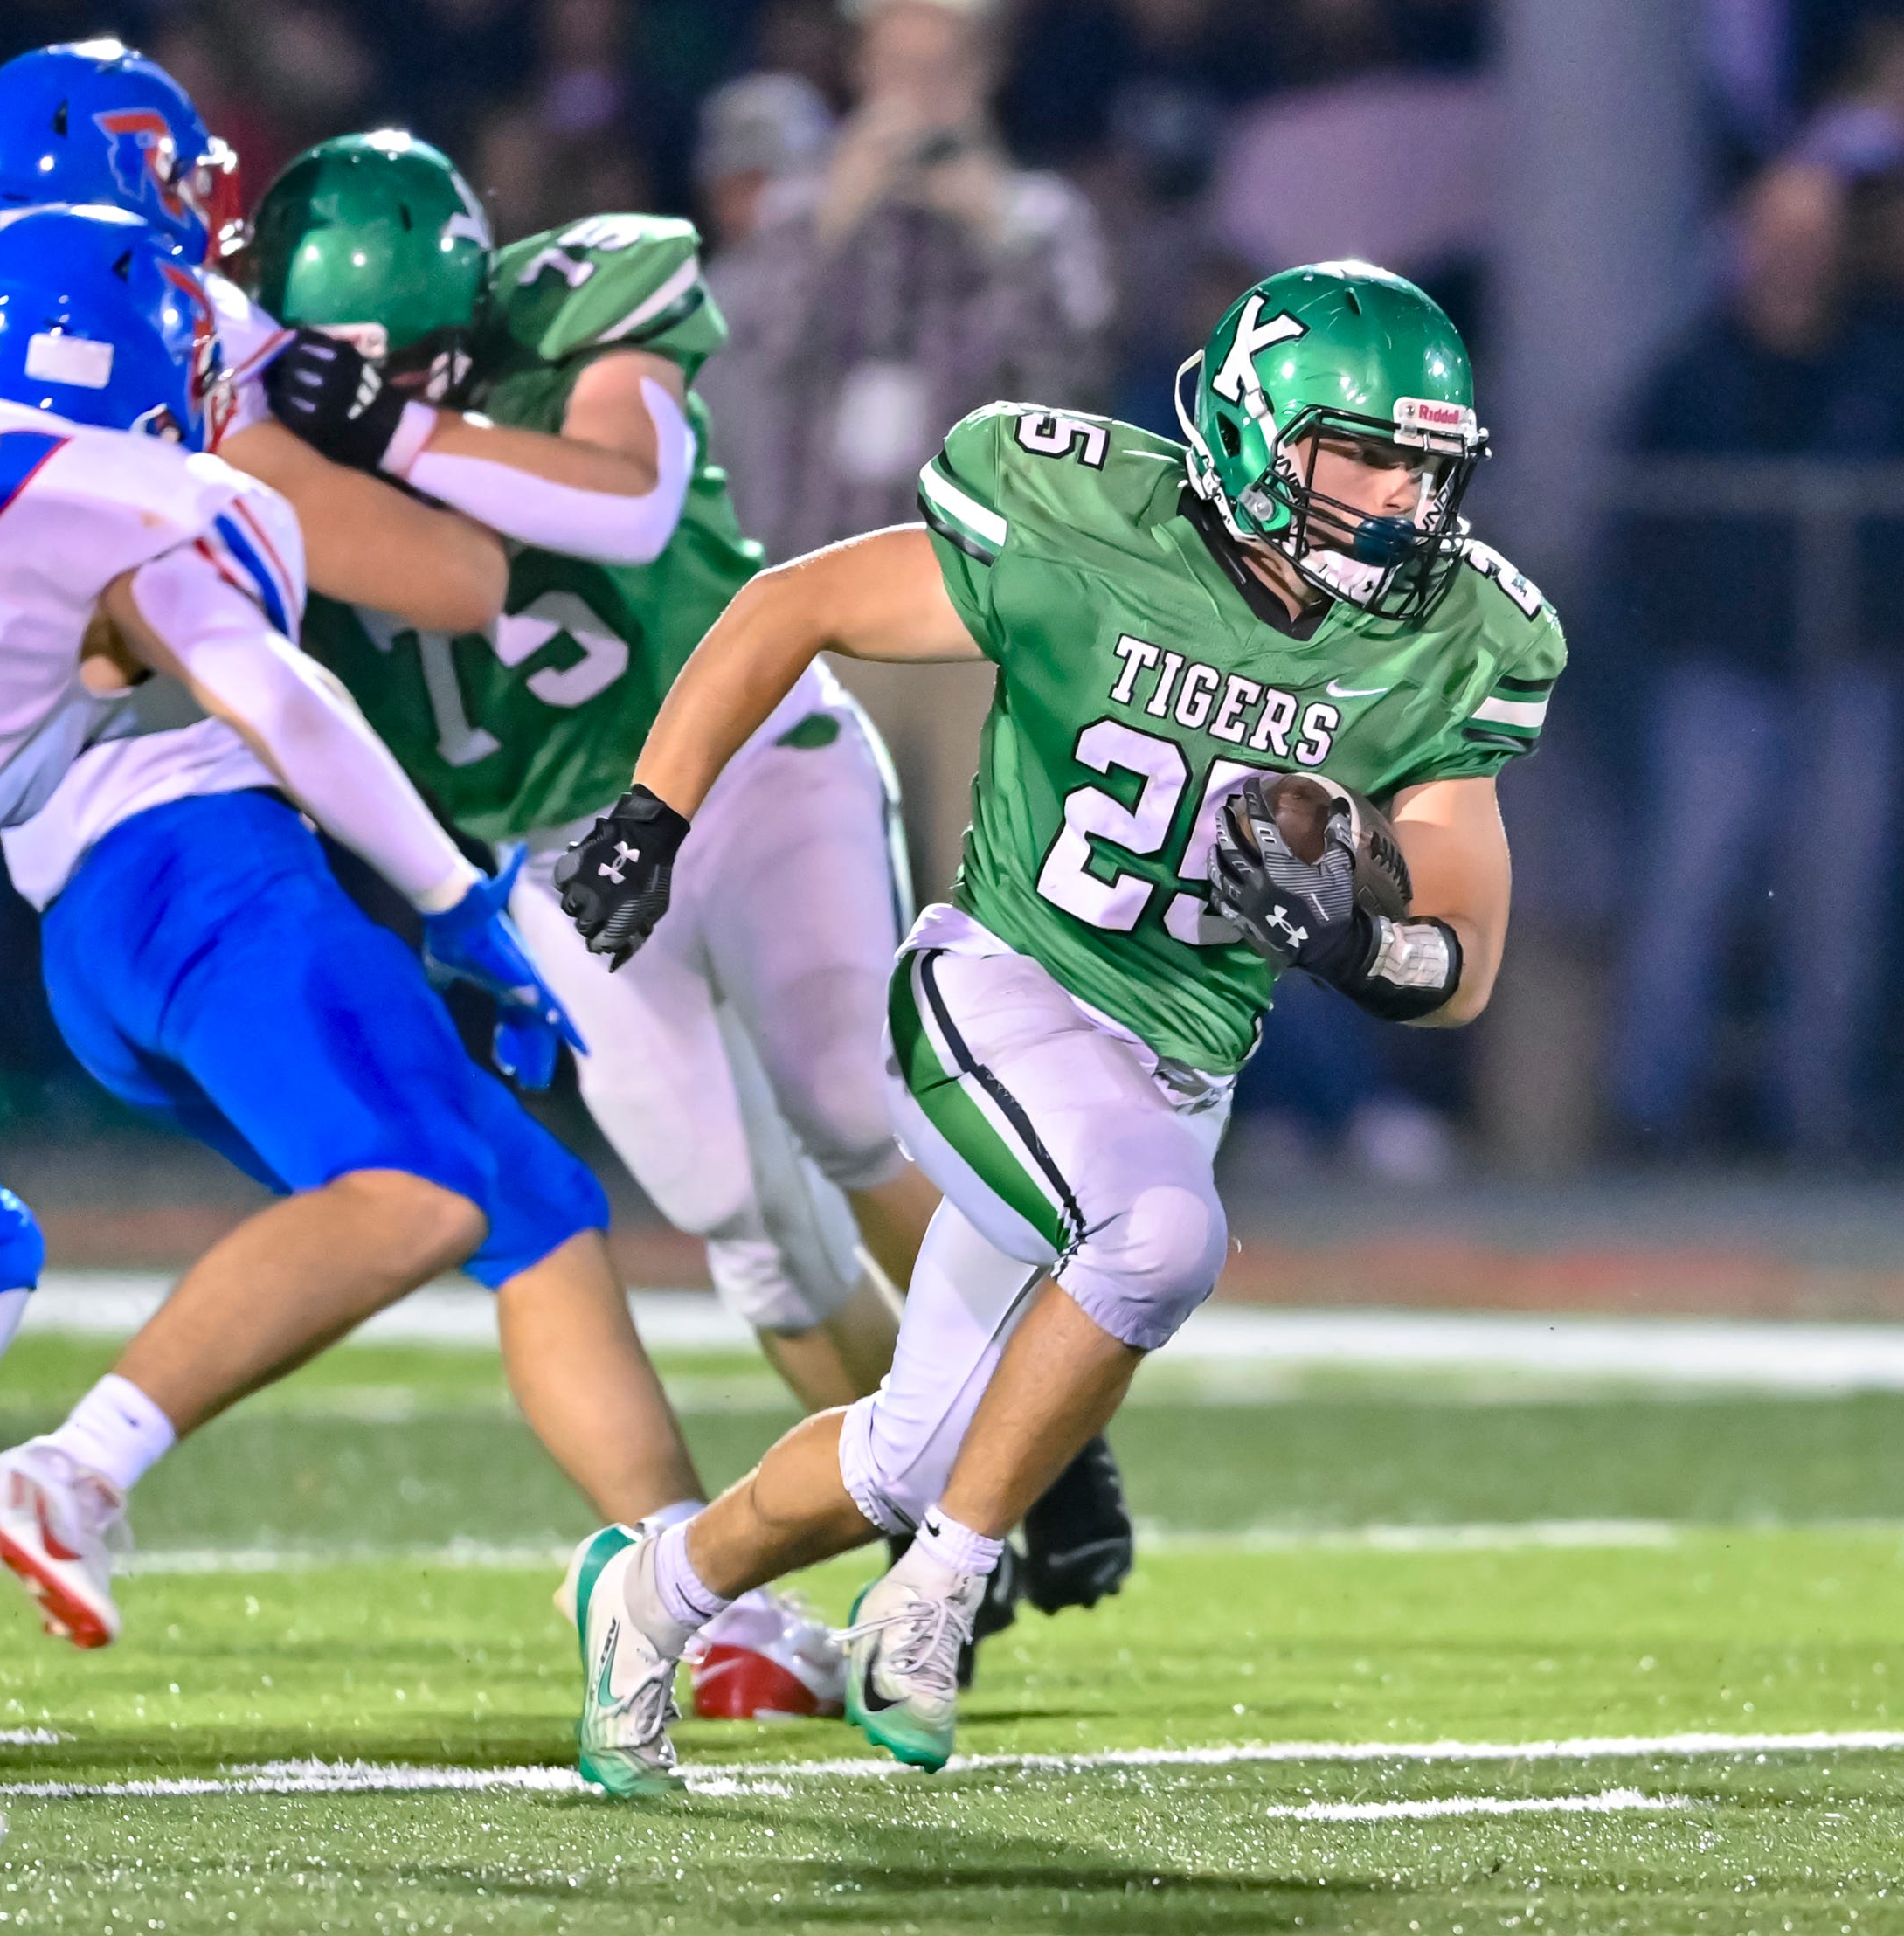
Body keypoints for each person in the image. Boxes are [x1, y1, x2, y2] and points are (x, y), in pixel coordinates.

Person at [550, 260, 1564, 1794]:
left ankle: (649, 1594)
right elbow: (793, 602)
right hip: (1002, 985)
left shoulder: (1448, 638)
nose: (1404, 501)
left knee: (900, 1452)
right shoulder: (1085, 527)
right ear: (1249, 431)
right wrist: (654, 813)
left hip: (1175, 1062)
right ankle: (940, 1593)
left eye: (1428, 466)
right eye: (1364, 455)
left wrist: (1363, 939)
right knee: (1160, 1242)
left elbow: (1465, 952)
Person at [0, 44, 869, 1718]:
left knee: (522, 1205)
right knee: (421, 1197)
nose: (201, 222)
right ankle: (71, 1473)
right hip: (201, 863)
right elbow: (412, 605)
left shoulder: (17, 351)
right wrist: (455, 899)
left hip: (83, 904)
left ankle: (683, 1591)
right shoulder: (154, 369)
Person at [239, 130, 1133, 1704]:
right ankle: (919, 1503)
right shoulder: (248, 430)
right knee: (752, 1233)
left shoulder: (580, 303)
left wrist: (389, 420)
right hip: (546, 838)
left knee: (856, 1113)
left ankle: (1034, 1458)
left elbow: (632, 503)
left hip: (744, 764)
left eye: (427, 361)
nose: (400, 391)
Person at [695, 0, 1111, 899]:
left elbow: (1077, 386)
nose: (916, 90)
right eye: (898, 63)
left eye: (940, 65)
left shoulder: (1040, 221)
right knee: (822, 895)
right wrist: (836, 213)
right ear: (861, 67)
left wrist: (995, 228)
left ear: (983, 70)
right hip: (830, 604)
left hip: (978, 615)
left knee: (979, 895)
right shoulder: (801, 213)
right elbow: (748, 358)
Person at [1605, 161, 1904, 1161]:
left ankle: (1815, 1118)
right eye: (1776, 231)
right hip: (1723, 674)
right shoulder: (1693, 374)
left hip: (1852, 676)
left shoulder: (1889, 370)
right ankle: (1647, 1114)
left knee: (1840, 909)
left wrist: (1890, 625)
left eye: (1814, 233)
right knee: (1687, 893)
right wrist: (1694, 623)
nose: (1795, 254)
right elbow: (1642, 526)